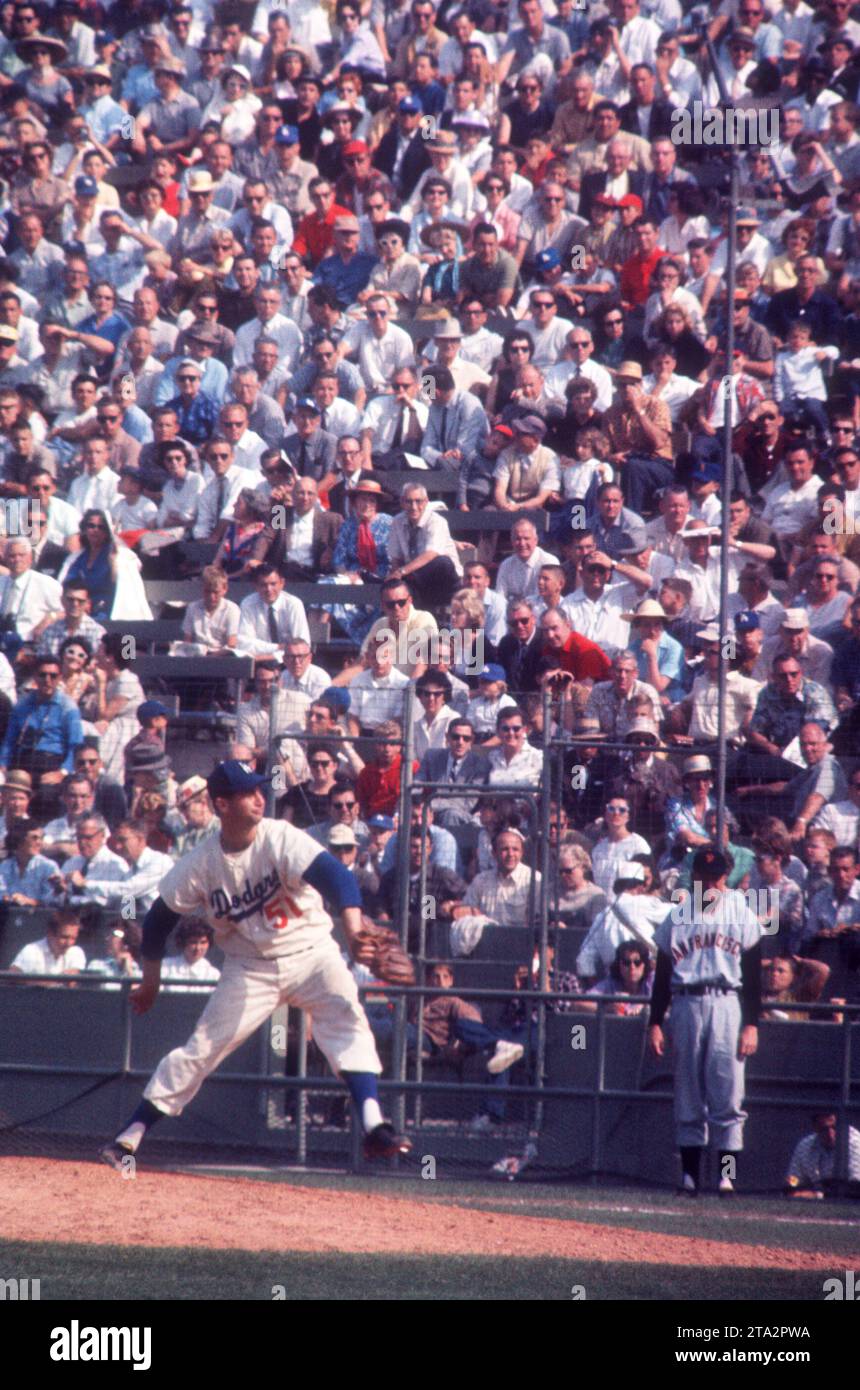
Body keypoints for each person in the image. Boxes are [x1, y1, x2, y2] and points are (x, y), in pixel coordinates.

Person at [99, 760, 411, 1168]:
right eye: (249, 792)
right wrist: (151, 982)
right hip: (250, 967)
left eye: (260, 788)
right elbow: (158, 923)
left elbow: (339, 878)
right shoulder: (201, 863)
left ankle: (374, 1127)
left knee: (346, 1019)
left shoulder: (279, 836)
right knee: (202, 1050)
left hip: (312, 949)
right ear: (222, 804)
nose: (260, 797)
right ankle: (129, 1138)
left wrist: (352, 931)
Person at [648, 847, 763, 1198]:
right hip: (685, 1003)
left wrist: (751, 1024)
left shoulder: (741, 912)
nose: (710, 883)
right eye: (703, 876)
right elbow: (664, 972)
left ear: (725, 877)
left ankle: (727, 1178)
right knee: (688, 1094)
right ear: (693, 876)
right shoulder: (678, 914)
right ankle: (690, 1177)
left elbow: (754, 975)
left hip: (728, 1003)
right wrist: (655, 1021)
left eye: (716, 877)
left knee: (728, 1096)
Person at [784, 1110, 860, 1197]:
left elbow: (855, 1188)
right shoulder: (804, 1146)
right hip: (815, 1206)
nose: (830, 1134)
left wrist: (816, 1194)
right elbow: (793, 1181)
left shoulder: (855, 1142)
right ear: (815, 1128)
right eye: (824, 1129)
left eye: (834, 1127)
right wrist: (793, 1189)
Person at [9, 907, 85, 980]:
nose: (69, 943)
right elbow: (12, 977)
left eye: (73, 938)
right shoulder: (32, 950)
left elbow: (74, 983)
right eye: (64, 937)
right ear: (50, 934)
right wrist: (57, 981)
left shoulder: (76, 952)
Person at [160, 919, 222, 993]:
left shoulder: (213, 974)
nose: (198, 948)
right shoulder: (164, 966)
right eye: (193, 942)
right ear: (183, 942)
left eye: (203, 942)